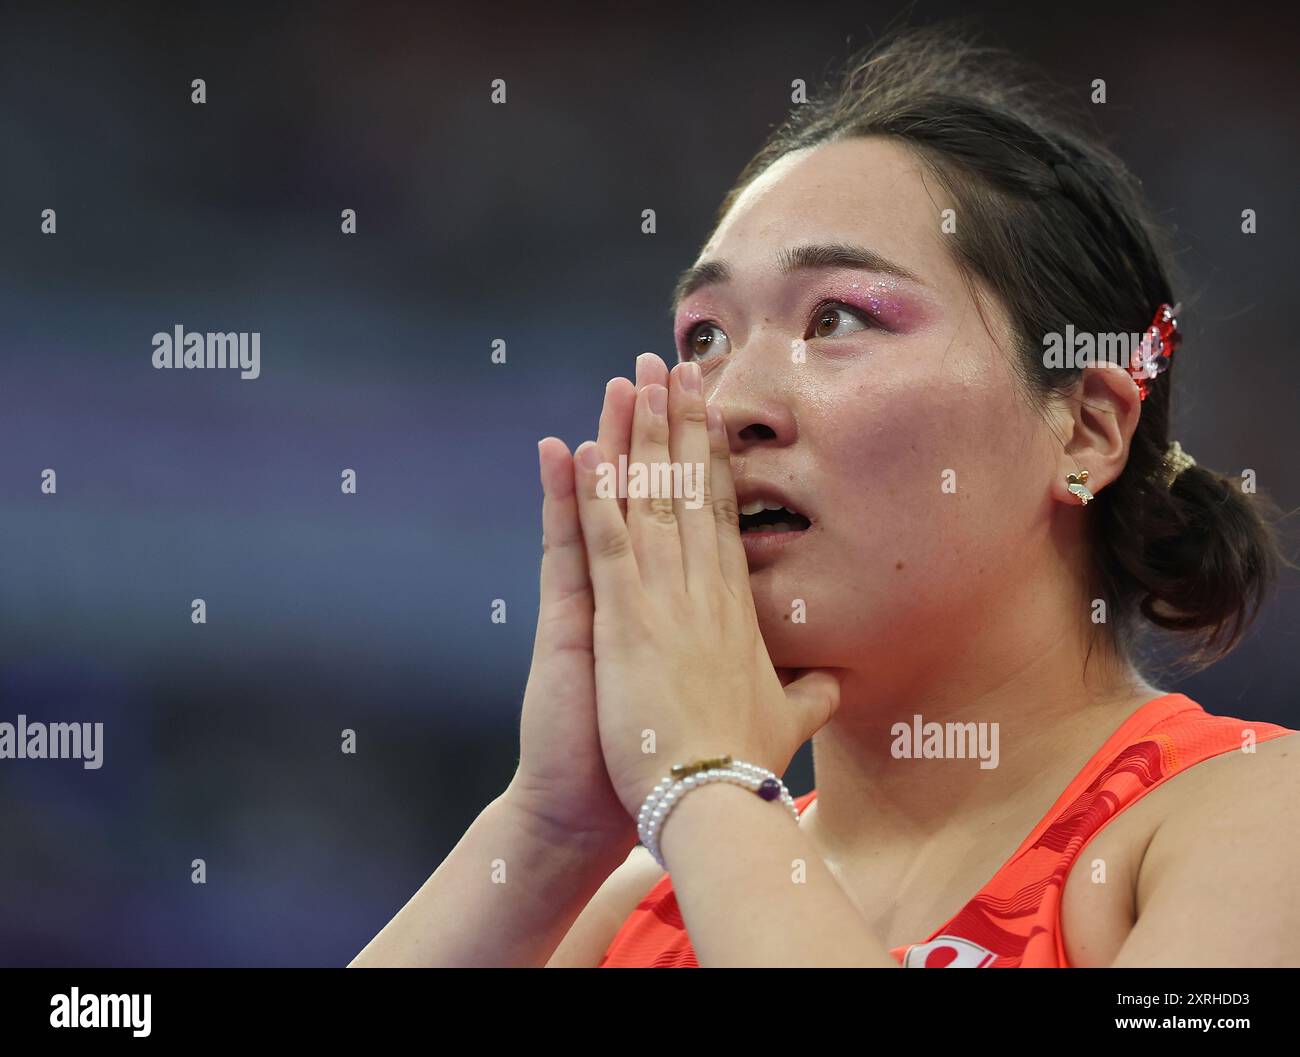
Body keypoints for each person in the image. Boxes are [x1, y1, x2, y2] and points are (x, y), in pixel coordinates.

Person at [350, 26, 1299, 969]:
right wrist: (552, 825)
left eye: (835, 318)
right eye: (705, 338)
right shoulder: (635, 909)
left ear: (1086, 428)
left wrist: (710, 785)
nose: (726, 409)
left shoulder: (1250, 819)